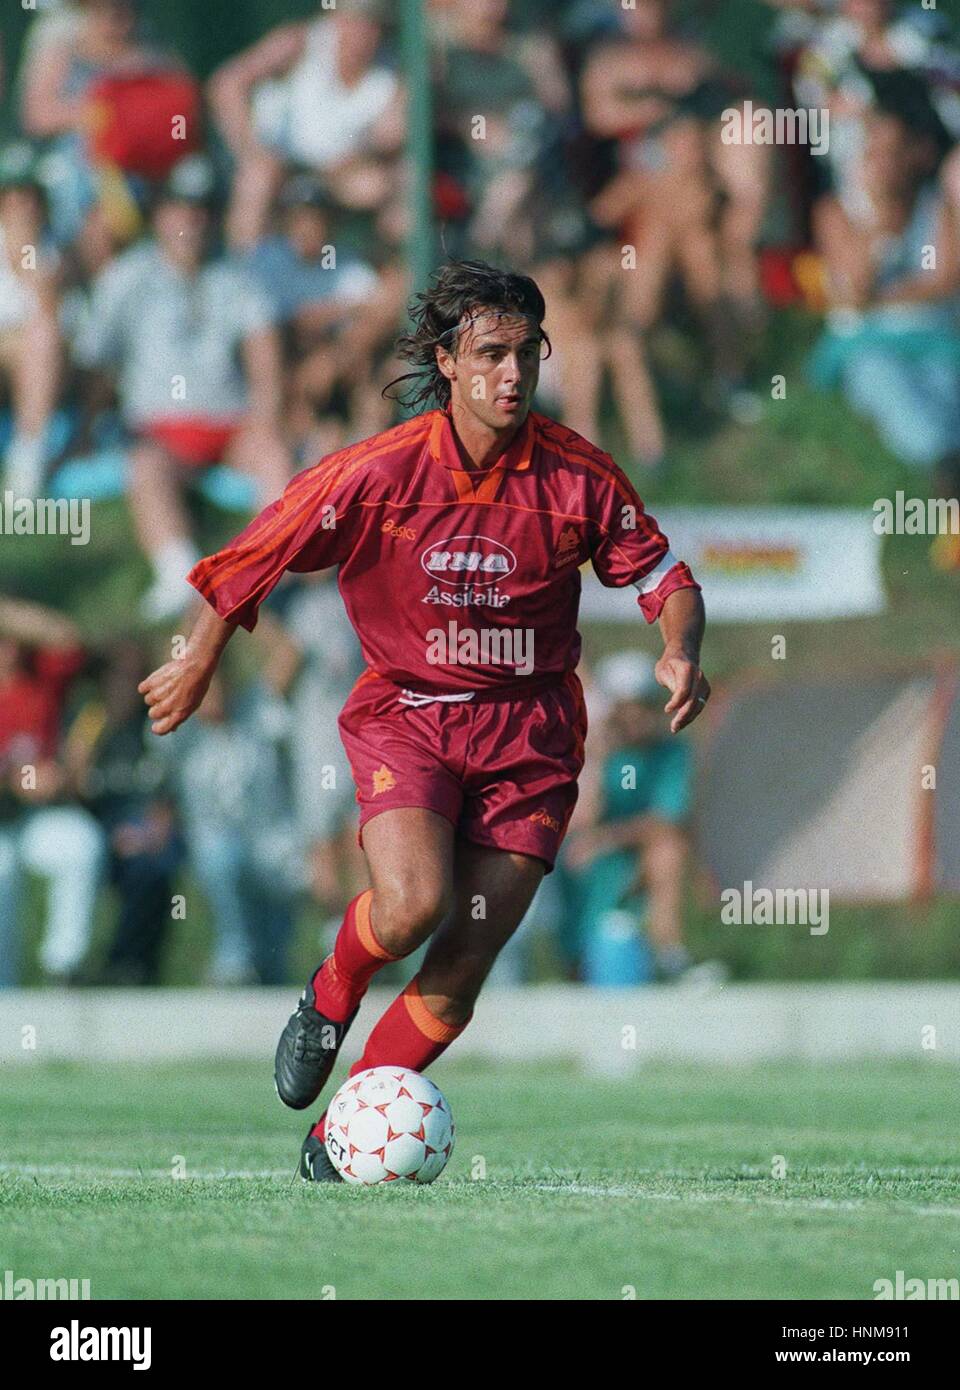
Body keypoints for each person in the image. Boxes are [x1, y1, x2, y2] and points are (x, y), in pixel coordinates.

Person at [139, 258, 710, 1181]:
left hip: (532, 737)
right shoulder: (379, 472)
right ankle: (330, 994)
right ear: (446, 362)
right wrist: (198, 655)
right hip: (411, 716)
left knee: (469, 951)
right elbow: (256, 551)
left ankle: (344, 1129)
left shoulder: (579, 477)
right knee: (411, 907)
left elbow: (665, 580)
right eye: (491, 353)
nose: (513, 374)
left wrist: (680, 647)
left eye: (528, 352)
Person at [74, 154, 291, 621]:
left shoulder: (238, 278)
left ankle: (271, 567)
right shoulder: (127, 278)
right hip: (161, 431)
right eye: (179, 207)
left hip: (230, 424)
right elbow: (95, 365)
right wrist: (85, 433)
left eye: (201, 208)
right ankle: (176, 573)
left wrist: (267, 417)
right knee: (145, 466)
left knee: (272, 451)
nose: (191, 219)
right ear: (159, 214)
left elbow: (265, 359)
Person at [563, 650, 720, 985]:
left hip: (624, 851)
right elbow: (581, 819)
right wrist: (597, 758)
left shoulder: (672, 751)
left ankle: (669, 953)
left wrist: (606, 839)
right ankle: (577, 962)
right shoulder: (586, 748)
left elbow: (667, 821)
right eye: (631, 708)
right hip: (588, 857)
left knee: (669, 849)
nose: (640, 718)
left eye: (646, 706)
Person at [209, 0, 404, 251]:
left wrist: (358, 158)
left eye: (372, 23)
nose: (362, 32)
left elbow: (388, 138)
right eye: (354, 19)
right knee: (257, 179)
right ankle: (244, 273)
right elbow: (226, 85)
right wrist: (252, 150)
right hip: (276, 167)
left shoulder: (394, 74)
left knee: (378, 188)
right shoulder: (298, 41)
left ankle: (372, 279)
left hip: (339, 174)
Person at [0, 598, 104, 986]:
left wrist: (8, 613)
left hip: (37, 817)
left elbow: (68, 637)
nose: (10, 649)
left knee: (80, 843)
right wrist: (17, 781)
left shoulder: (40, 677)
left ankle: (63, 969)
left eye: (15, 639)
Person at [0, 143, 63, 499]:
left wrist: (27, 257)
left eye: (29, 196)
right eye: (12, 196)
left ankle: (29, 453)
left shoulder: (55, 249)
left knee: (42, 338)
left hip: (44, 360)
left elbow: (49, 313)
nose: (22, 206)